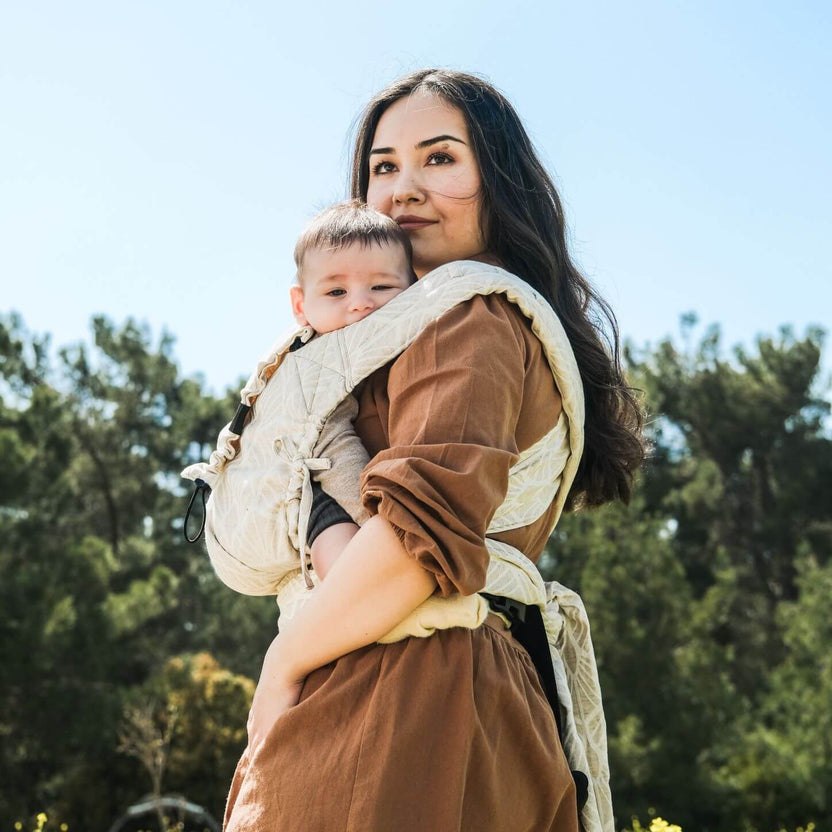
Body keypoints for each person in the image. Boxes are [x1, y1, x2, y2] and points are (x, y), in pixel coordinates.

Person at [224, 68, 646, 832]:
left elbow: (420, 540)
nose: (403, 188)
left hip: (410, 694)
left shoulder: (472, 314)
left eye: (439, 158)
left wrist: (283, 663)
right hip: (467, 696)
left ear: (500, 181)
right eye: (384, 167)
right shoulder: (425, 329)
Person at [286, 199, 419, 582]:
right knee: (342, 557)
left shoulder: (399, 344)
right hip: (323, 491)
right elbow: (334, 449)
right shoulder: (316, 363)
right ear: (301, 305)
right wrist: (375, 523)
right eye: (336, 293)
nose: (360, 304)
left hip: (371, 489)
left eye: (381, 286)